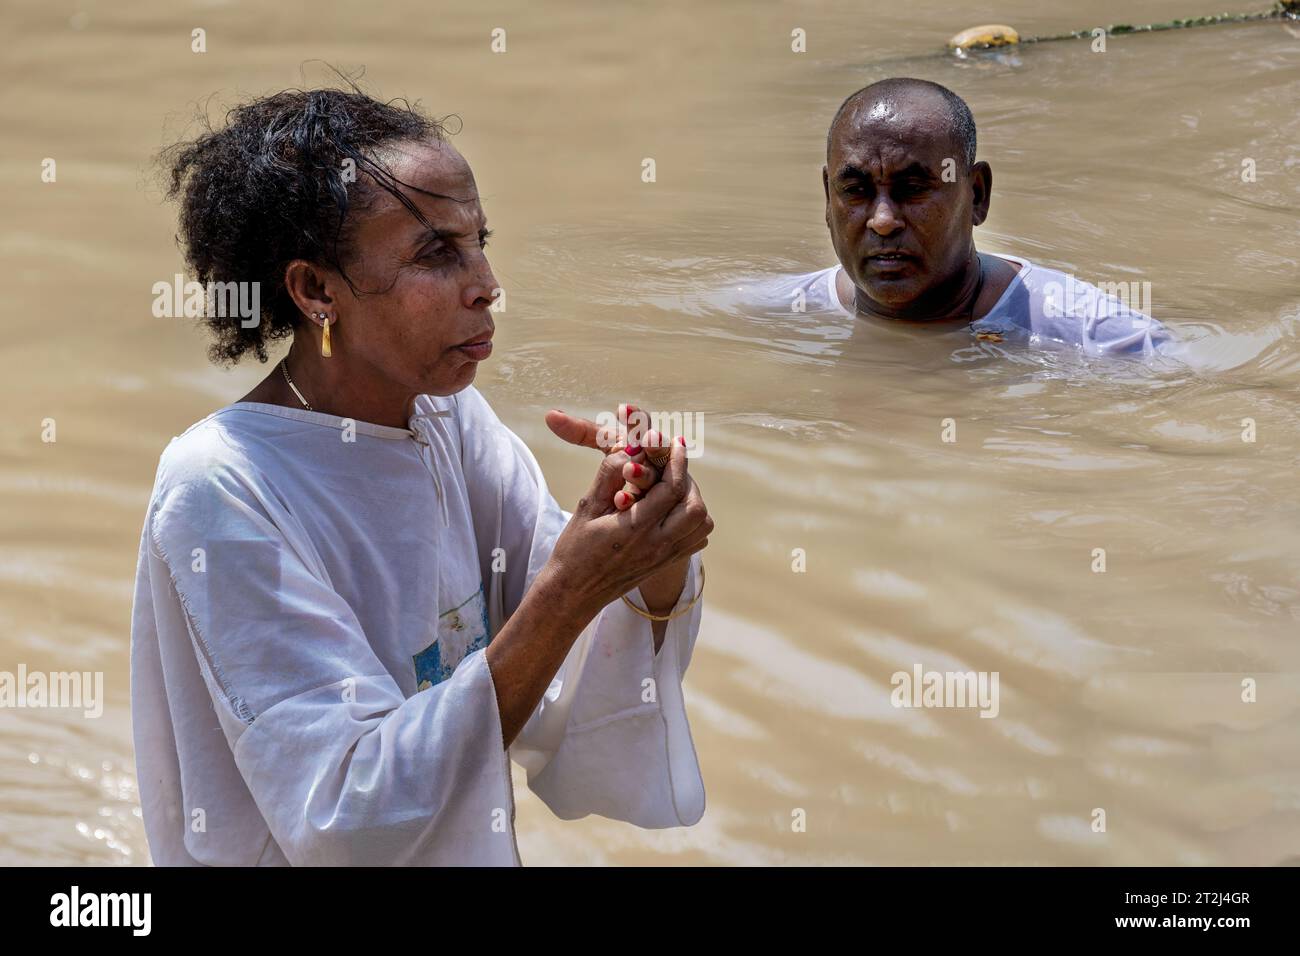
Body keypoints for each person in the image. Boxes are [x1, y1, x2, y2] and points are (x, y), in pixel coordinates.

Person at [131, 85, 712, 866]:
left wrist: (648, 546)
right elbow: (346, 816)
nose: (487, 282)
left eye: (480, 241)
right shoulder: (223, 486)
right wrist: (576, 585)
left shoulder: (447, 420)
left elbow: (564, 673)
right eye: (436, 253)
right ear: (315, 291)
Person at [773, 77, 1174, 355]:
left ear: (977, 195)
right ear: (828, 200)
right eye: (856, 191)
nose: (883, 220)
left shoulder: (1104, 338)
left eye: (913, 189)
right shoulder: (782, 312)